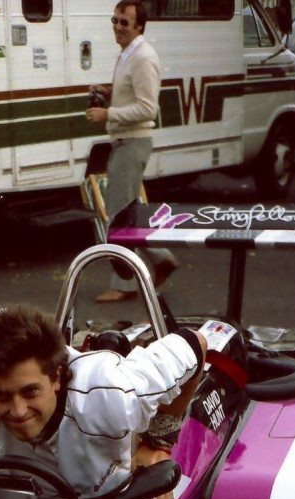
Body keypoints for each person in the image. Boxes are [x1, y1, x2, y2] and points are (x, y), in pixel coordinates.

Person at [0, 305, 206, 499]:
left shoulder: (111, 393)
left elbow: (194, 342)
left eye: (30, 392)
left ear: (56, 377)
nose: (17, 411)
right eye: (2, 396)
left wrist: (157, 441)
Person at [86, 2, 177, 303]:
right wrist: (112, 93)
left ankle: (123, 284)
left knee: (119, 216)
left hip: (133, 141)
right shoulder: (128, 54)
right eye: (115, 20)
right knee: (127, 212)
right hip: (124, 142)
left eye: (125, 22)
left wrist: (108, 113)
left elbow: (148, 108)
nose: (118, 27)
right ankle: (160, 258)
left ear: (140, 26)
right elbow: (135, 95)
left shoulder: (143, 58)